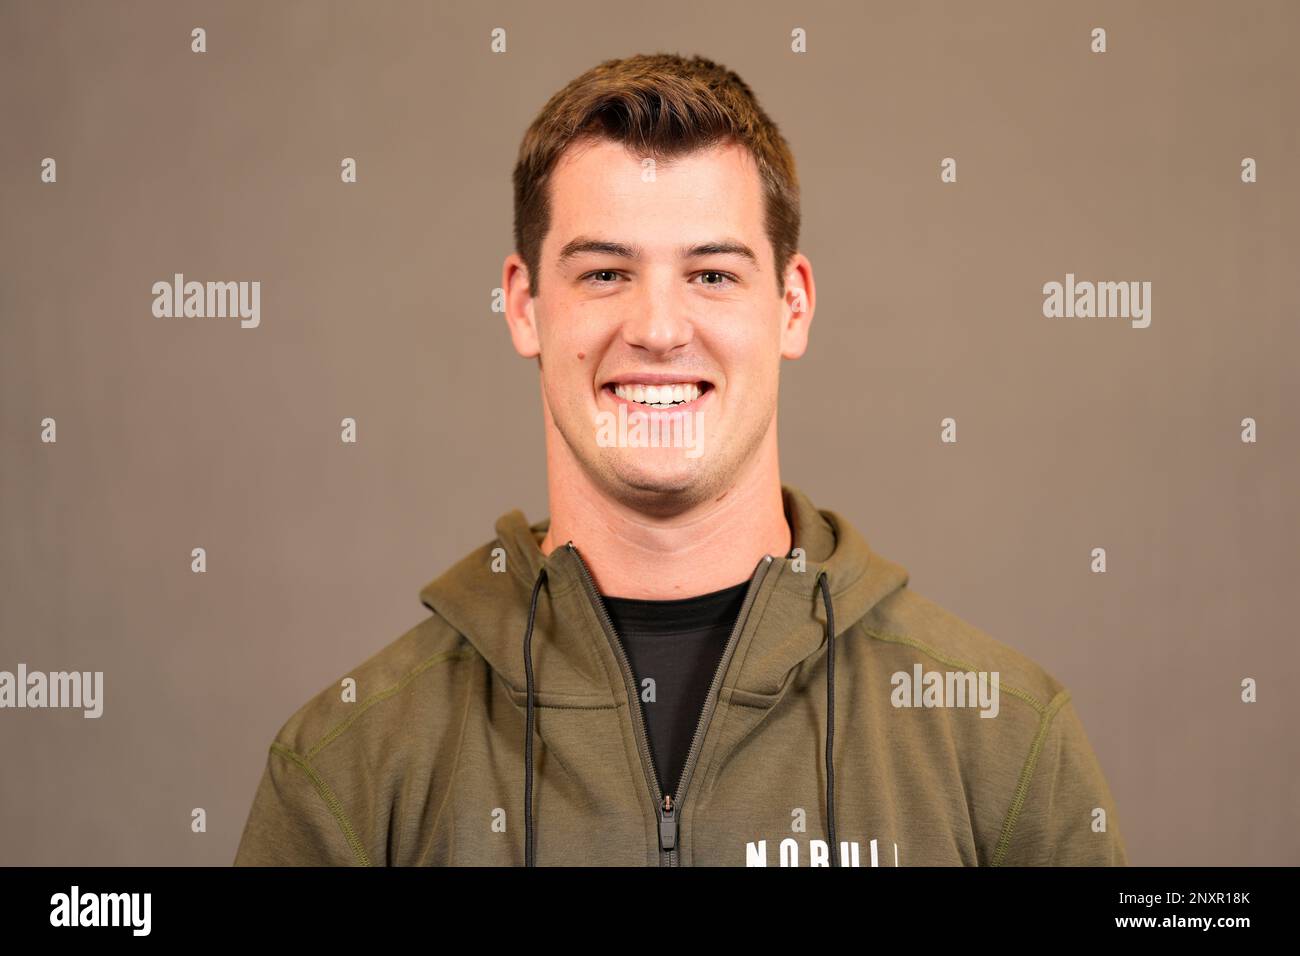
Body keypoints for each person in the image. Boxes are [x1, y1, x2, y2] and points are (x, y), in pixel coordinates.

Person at [233, 52, 1127, 867]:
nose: (659, 330)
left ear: (792, 305)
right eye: (604, 273)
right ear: (523, 306)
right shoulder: (349, 769)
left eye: (712, 274)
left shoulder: (1003, 741)